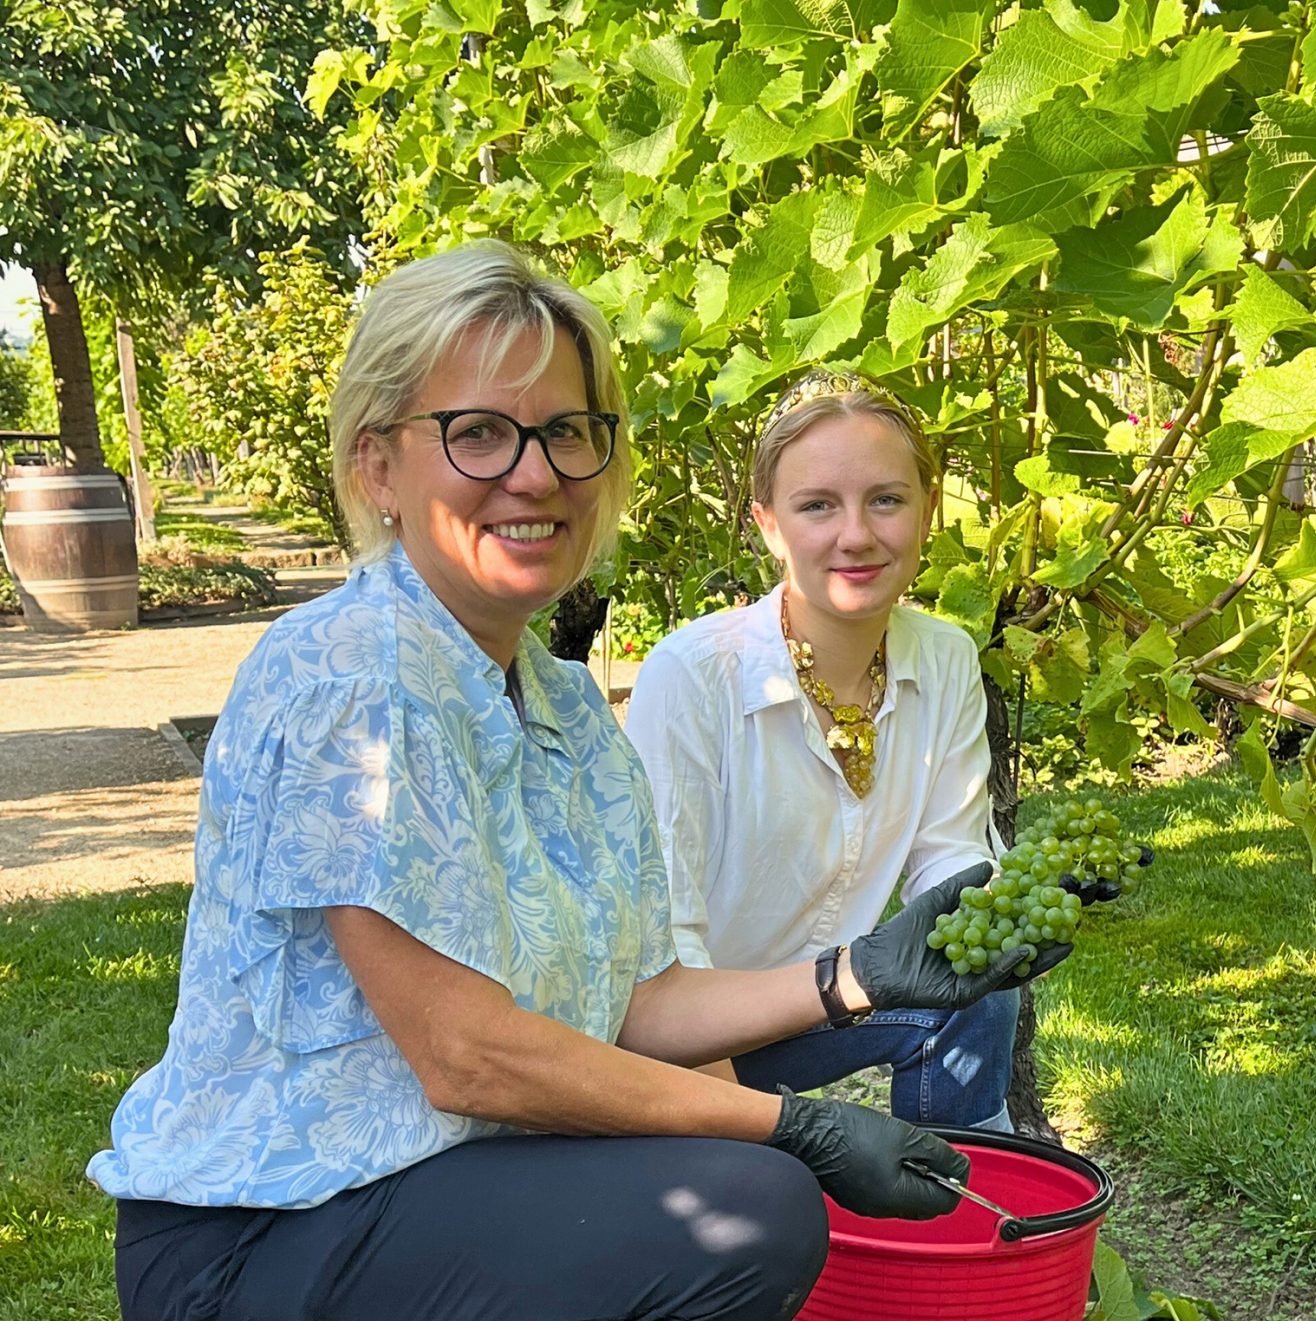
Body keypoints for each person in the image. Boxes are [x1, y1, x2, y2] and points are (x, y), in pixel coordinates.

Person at [87, 243, 1038, 1321]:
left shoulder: (563, 703)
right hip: (267, 1229)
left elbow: (641, 1003)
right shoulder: (349, 672)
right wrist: (792, 1127)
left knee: (743, 1197)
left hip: (441, 1180)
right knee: (746, 1210)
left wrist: (857, 975)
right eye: (478, 432)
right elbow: (466, 1056)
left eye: (567, 432)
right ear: (378, 467)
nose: (535, 475)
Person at [626, 371, 1068, 1134]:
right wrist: (757, 1138)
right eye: (818, 505)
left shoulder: (944, 658)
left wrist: (1017, 906)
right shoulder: (693, 677)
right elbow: (663, 961)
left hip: (821, 1006)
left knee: (978, 986)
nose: (856, 535)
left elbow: (951, 864)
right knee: (766, 1190)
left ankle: (960, 1186)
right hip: (672, 1037)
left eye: (886, 499)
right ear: (768, 525)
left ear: (928, 509)